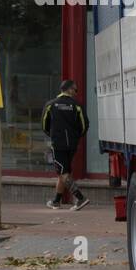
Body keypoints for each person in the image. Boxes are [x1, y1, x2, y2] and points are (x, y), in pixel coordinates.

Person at [42, 80, 89, 210]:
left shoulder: (50, 105)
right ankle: (56, 201)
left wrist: (53, 135)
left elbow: (44, 125)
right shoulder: (77, 105)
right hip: (72, 145)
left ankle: (80, 198)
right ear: (68, 90)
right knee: (64, 172)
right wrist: (76, 137)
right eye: (75, 90)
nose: (76, 92)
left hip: (58, 144)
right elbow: (84, 125)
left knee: (63, 172)